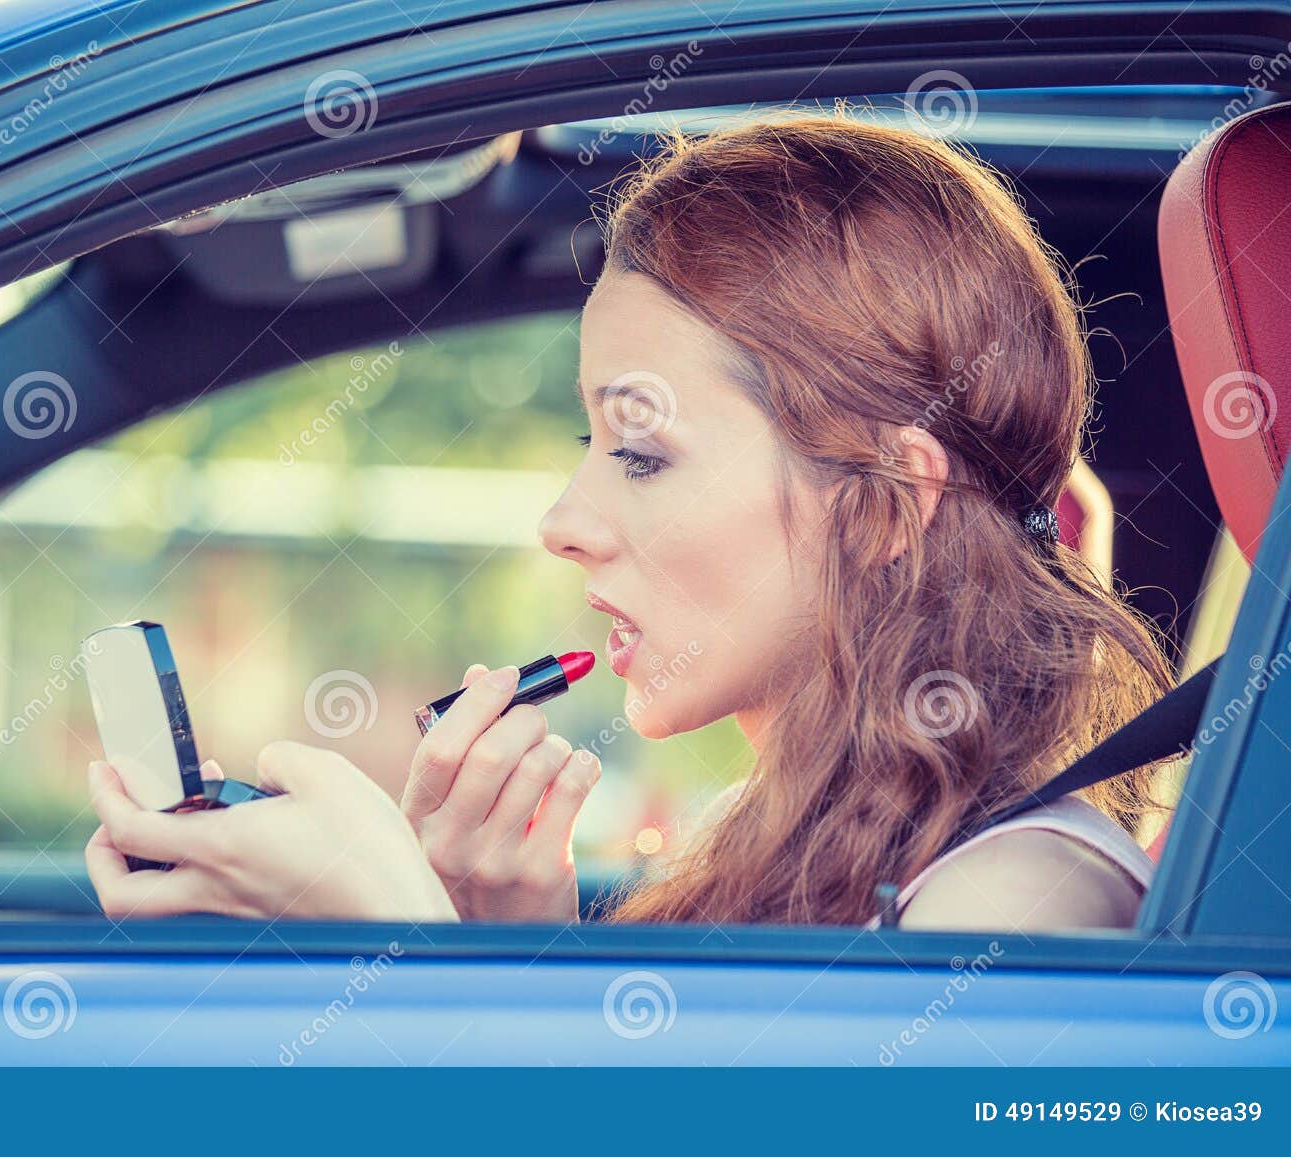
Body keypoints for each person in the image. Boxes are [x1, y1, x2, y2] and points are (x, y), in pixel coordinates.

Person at [85, 113, 1174, 931]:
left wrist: (394, 936)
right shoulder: (780, 846)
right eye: (588, 447)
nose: (562, 522)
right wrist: (498, 931)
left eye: (641, 453)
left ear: (885, 499)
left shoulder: (1013, 905)